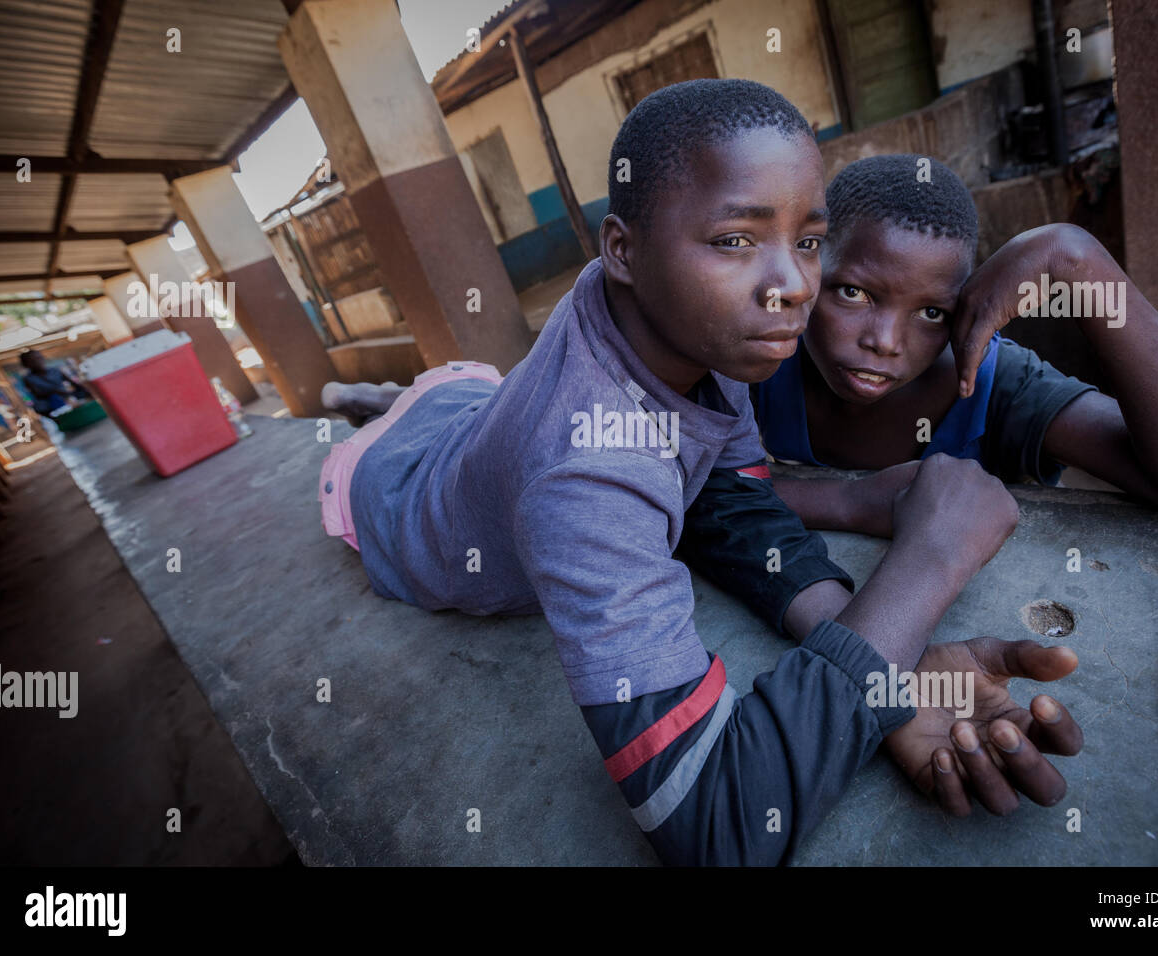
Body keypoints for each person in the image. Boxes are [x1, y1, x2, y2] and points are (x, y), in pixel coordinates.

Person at [319, 82, 1083, 865]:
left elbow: (730, 498)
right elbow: (716, 823)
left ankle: (402, 396)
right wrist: (928, 563)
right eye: (734, 241)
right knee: (396, 428)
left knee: (470, 397)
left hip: (479, 416)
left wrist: (896, 672)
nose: (791, 287)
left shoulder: (698, 330)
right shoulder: (585, 483)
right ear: (622, 250)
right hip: (389, 493)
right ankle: (371, 411)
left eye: (809, 240)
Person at [744, 154, 1158, 534]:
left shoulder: (996, 388)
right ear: (807, 266)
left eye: (932, 313)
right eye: (853, 293)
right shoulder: (763, 354)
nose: (883, 342)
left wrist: (1077, 258)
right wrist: (851, 501)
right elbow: (677, 484)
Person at [19, 349, 91, 416]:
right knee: (42, 406)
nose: (38, 361)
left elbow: (74, 384)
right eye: (32, 361)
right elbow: (37, 395)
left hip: (67, 396)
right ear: (26, 365)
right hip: (50, 404)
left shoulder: (55, 370)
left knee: (82, 394)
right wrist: (55, 392)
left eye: (39, 358)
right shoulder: (28, 378)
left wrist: (87, 391)